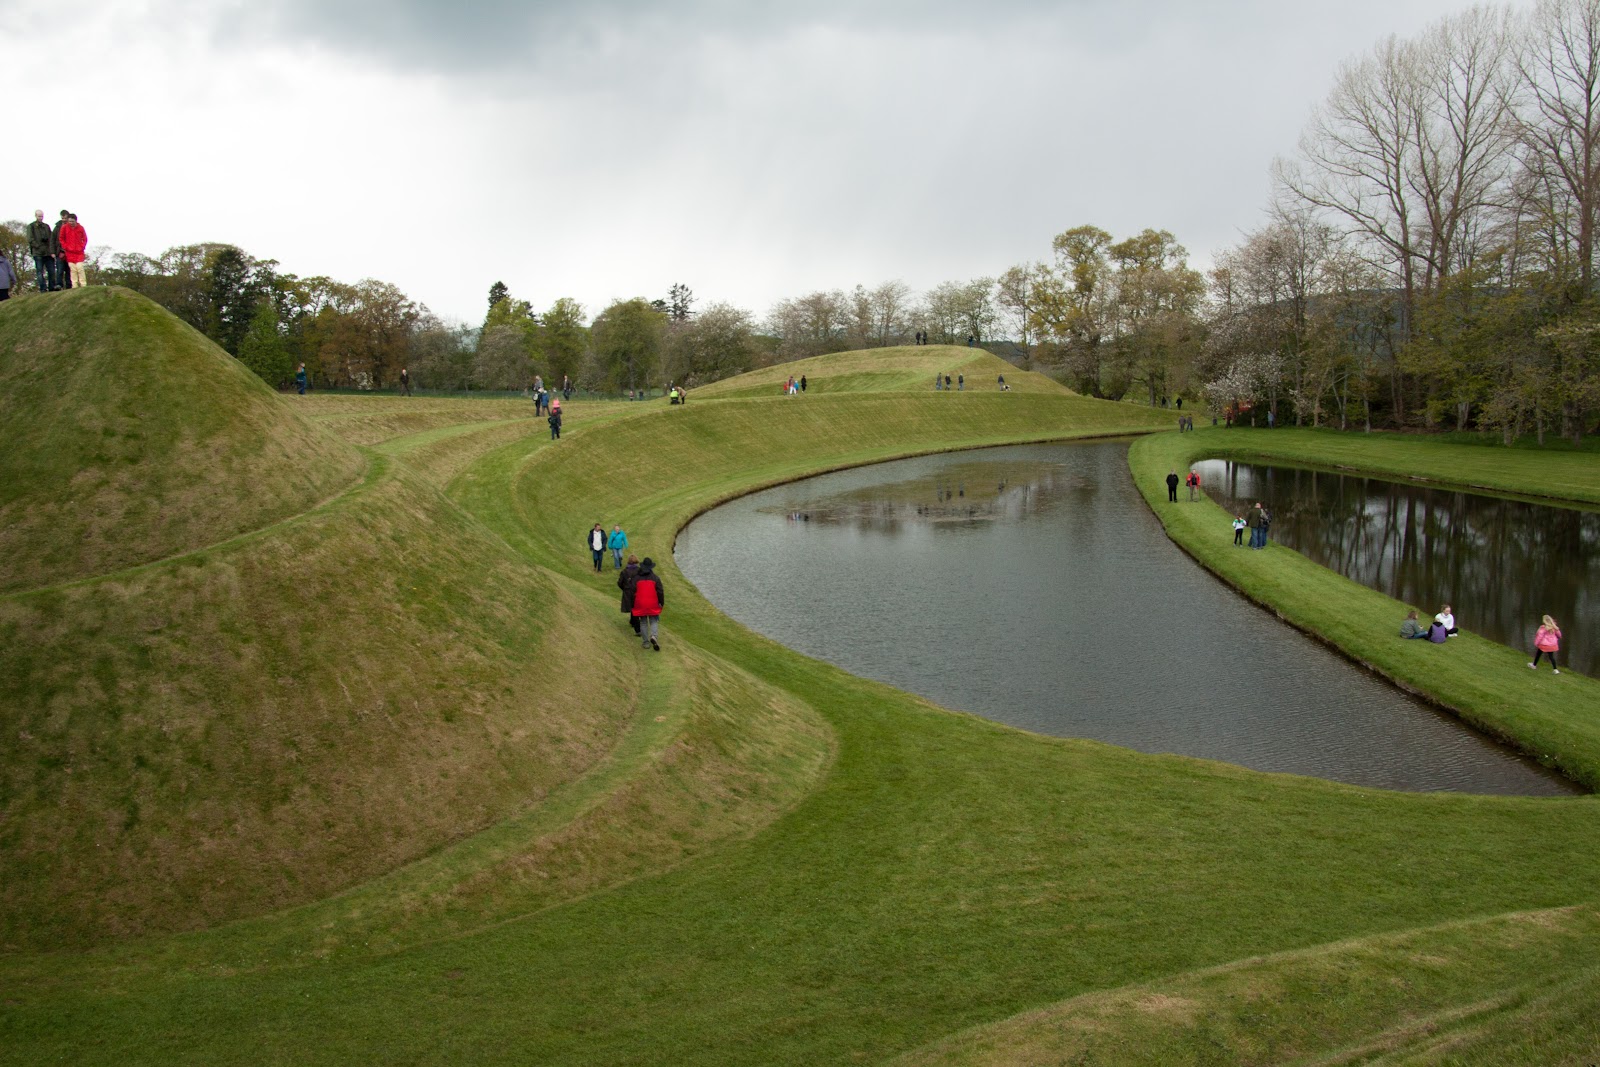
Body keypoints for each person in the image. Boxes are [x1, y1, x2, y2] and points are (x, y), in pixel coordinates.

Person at [631, 557, 664, 651]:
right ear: (651, 567)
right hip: (653, 602)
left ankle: (646, 643)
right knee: (653, 620)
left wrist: (633, 603)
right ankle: (654, 636)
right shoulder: (655, 578)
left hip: (640, 603)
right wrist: (661, 602)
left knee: (643, 622)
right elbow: (660, 591)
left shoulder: (636, 578)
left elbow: (632, 591)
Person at [26, 209, 59, 292]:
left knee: (51, 271)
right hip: (38, 253)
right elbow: (30, 239)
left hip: (48, 252)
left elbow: (51, 238)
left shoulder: (46, 226)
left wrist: (52, 250)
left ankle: (52, 287)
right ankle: (43, 288)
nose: (41, 218)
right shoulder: (31, 226)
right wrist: (38, 246)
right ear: (36, 216)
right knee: (40, 272)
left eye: (42, 216)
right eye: (39, 216)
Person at [58, 213, 89, 289]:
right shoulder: (64, 227)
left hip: (79, 252)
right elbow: (61, 238)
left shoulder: (81, 228)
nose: (71, 223)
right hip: (69, 252)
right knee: (73, 269)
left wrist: (82, 246)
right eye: (69, 221)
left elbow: (85, 238)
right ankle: (74, 285)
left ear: (76, 221)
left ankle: (83, 284)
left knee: (80, 267)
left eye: (72, 221)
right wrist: (65, 247)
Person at [617, 555, 641, 634]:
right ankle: (637, 629)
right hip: (636, 591)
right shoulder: (639, 571)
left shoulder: (624, 571)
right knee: (635, 608)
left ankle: (632, 621)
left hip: (627, 591)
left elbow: (620, 582)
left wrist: (624, 588)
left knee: (631, 607)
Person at [52, 211, 72, 289]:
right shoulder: (57, 227)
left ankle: (69, 285)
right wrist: (52, 251)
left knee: (69, 270)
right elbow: (52, 240)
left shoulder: (71, 227)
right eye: (62, 218)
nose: (64, 220)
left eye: (65, 218)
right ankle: (59, 284)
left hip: (69, 252)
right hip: (59, 251)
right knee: (59, 269)